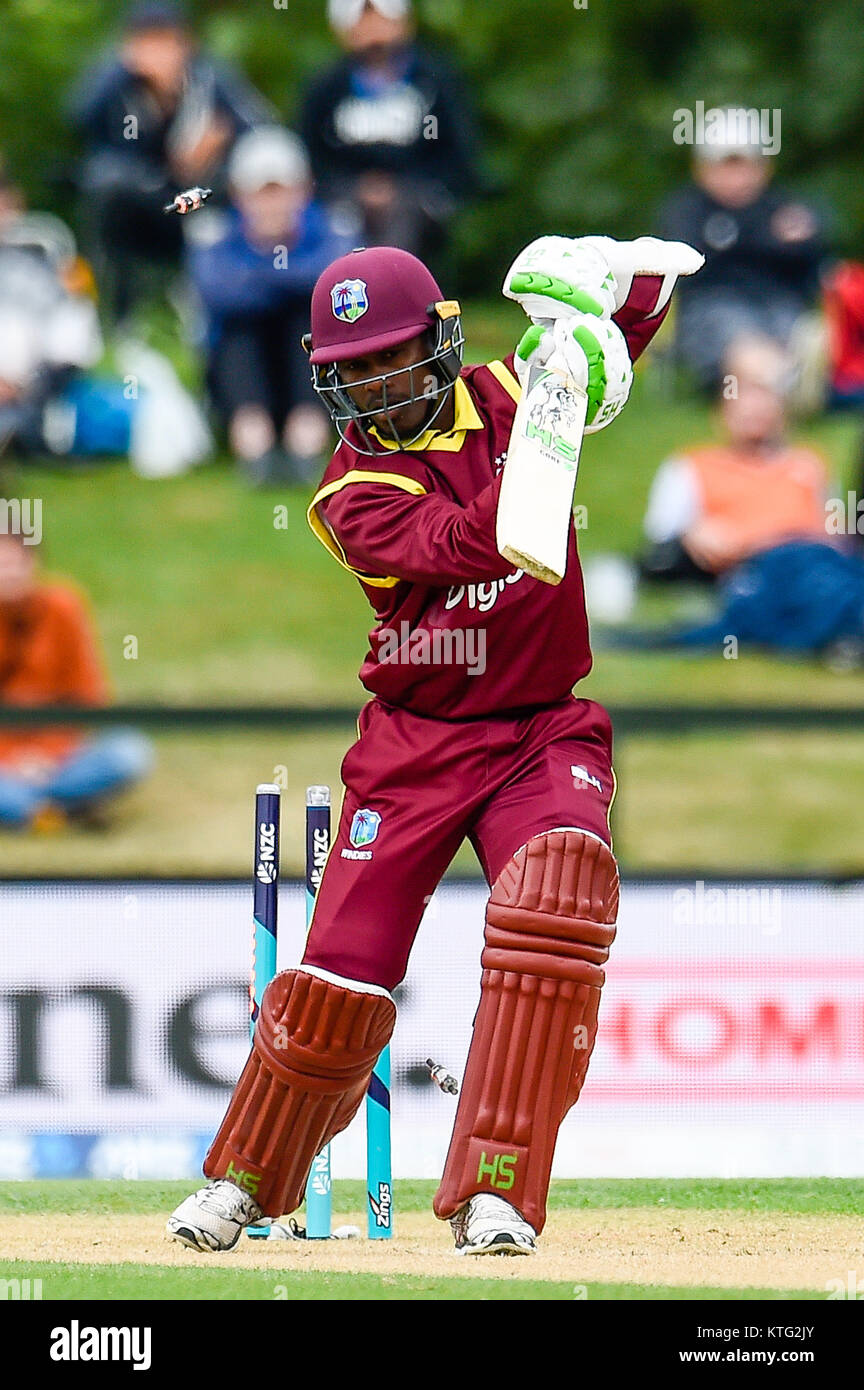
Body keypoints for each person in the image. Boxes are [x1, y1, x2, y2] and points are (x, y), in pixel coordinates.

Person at [166, 233, 701, 1256]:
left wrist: (619, 297)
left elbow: (615, 340)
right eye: (350, 370)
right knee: (339, 981)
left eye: (389, 356)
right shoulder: (349, 495)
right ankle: (245, 1182)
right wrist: (555, 416)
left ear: (441, 343)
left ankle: (494, 1190)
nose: (374, 383)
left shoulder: (510, 391)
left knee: (558, 894)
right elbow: (481, 542)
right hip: (417, 744)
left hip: (543, 726)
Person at [68, 0, 274, 323]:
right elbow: (80, 119)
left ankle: (224, 303)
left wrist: (220, 139)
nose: (157, 52)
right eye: (146, 41)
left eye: (165, 40)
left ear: (185, 43)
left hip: (200, 197)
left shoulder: (209, 80)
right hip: (145, 201)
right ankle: (115, 312)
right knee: (107, 182)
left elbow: (262, 129)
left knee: (244, 184)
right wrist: (124, 71)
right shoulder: (118, 86)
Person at [186, 127, 354, 485]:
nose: (271, 204)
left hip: (308, 356)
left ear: (302, 189)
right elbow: (217, 294)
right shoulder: (213, 231)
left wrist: (255, 276)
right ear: (239, 194)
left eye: (280, 191)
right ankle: (255, 446)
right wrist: (295, 283)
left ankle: (304, 444)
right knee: (242, 328)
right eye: (261, 193)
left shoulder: (334, 226)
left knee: (304, 325)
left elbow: (341, 287)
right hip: (238, 360)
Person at [300, 0, 479, 268]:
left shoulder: (433, 80)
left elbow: (457, 153)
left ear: (404, 23)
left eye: (381, 19)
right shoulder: (325, 88)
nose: (373, 32)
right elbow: (311, 158)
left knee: (403, 214)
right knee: (341, 220)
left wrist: (406, 186)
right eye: (361, 21)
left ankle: (392, 283)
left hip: (418, 192)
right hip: (344, 193)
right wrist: (360, 187)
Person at [641, 335, 831, 582]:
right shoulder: (691, 467)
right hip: (736, 578)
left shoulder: (808, 466)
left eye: (766, 392)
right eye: (744, 391)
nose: (756, 405)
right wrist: (691, 535)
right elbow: (660, 544)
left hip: (805, 573)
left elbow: (835, 540)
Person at [660, 114, 825, 391]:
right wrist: (767, 241)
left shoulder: (783, 205)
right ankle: (789, 386)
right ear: (702, 168)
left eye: (744, 166)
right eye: (726, 166)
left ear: (764, 167)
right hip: (713, 309)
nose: (736, 178)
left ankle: (797, 380)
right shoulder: (687, 212)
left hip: (780, 306)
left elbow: (812, 260)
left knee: (799, 331)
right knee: (737, 334)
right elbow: (693, 268)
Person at [0, 532, 152, 829]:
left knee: (129, 753)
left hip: (58, 757)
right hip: (5, 763)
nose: (9, 573)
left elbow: (87, 697)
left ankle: (35, 812)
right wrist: (11, 758)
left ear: (34, 564)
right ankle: (58, 811)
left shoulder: (63, 607)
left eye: (16, 562)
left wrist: (47, 753)